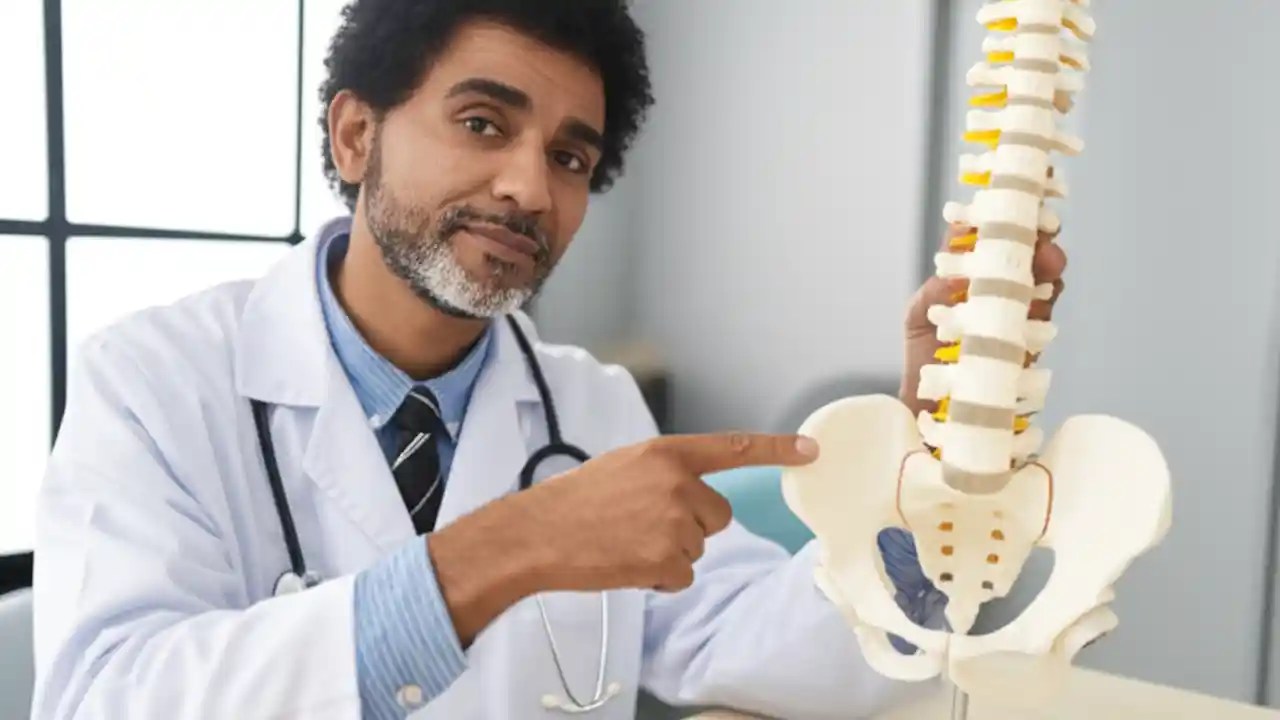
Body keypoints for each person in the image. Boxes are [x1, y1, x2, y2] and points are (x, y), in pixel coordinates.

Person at [28, 1, 1067, 718]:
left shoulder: (588, 407)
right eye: (483, 122)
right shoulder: (154, 382)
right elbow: (103, 698)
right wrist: (509, 550)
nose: (530, 187)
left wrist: (933, 452)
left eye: (569, 156)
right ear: (354, 136)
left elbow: (792, 655)